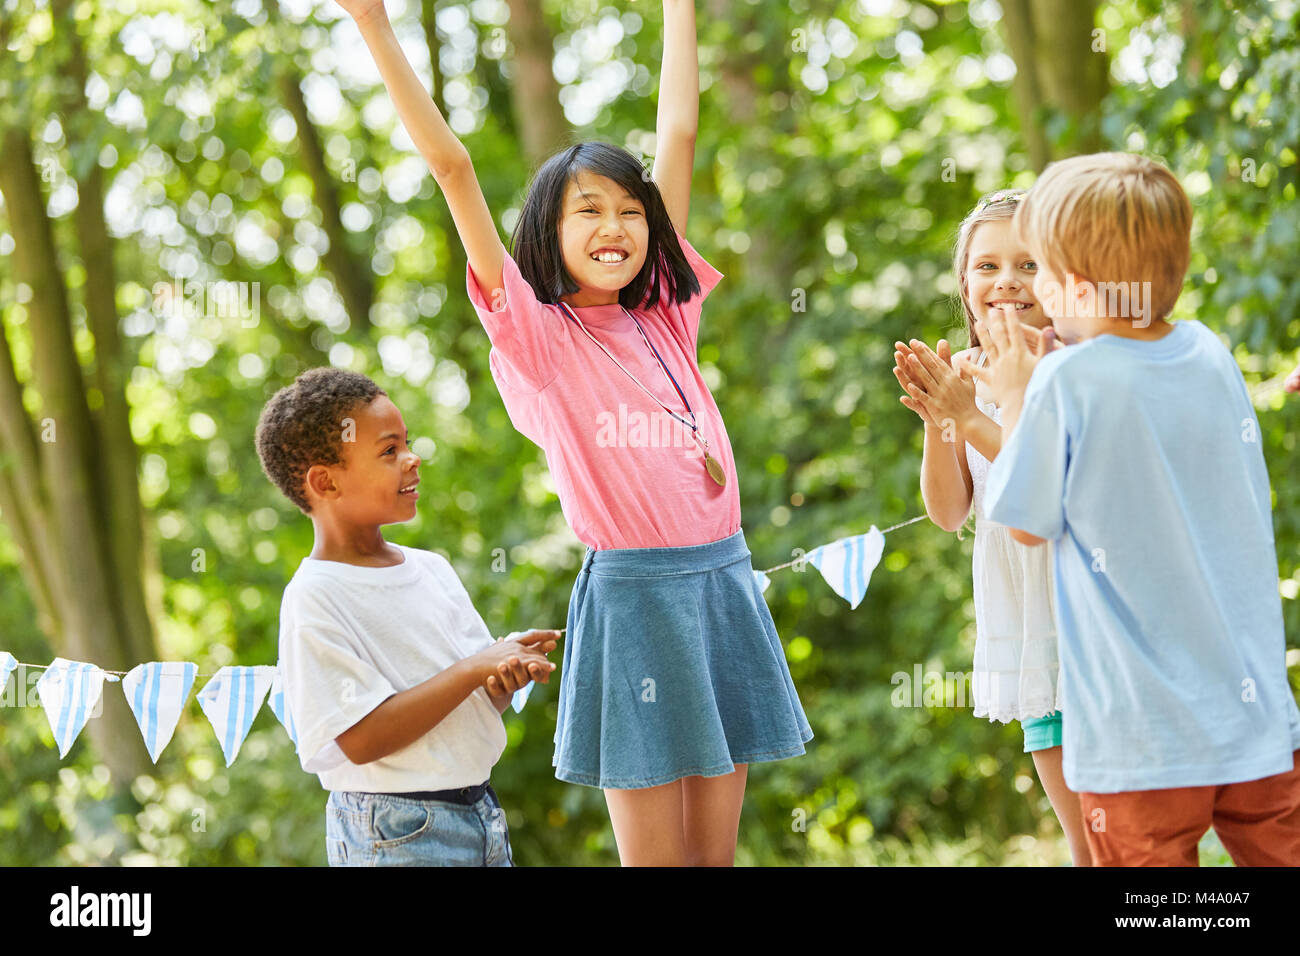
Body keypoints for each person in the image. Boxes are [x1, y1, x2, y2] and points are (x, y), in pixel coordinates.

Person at [332, 0, 810, 865]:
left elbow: (683, 132)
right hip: (636, 600)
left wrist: (680, 9)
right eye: (588, 212)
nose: (614, 228)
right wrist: (373, 24)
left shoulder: (668, 315)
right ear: (549, 234)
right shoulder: (540, 338)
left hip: (725, 581)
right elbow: (451, 169)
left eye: (630, 211)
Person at [972, 152, 1300, 866]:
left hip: (1139, 737)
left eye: (1041, 270)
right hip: (1257, 723)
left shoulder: (1063, 380)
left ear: (1076, 287)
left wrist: (1015, 394)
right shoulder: (1209, 352)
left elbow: (1025, 523)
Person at [257, 366, 558, 866]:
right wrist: (474, 667)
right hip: (395, 834)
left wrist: (500, 676)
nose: (413, 459)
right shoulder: (315, 596)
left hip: (480, 812)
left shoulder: (431, 570)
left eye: (407, 443)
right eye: (389, 450)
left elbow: (470, 701)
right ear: (325, 482)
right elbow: (360, 738)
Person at [893, 189, 1089, 865]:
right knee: (1082, 839)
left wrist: (973, 417)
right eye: (987, 266)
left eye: (1027, 264)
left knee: (1119, 831)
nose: (1006, 280)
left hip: (1091, 613)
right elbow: (950, 512)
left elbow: (1062, 485)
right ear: (965, 284)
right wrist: (939, 420)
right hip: (1028, 615)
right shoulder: (963, 381)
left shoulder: (1078, 366)